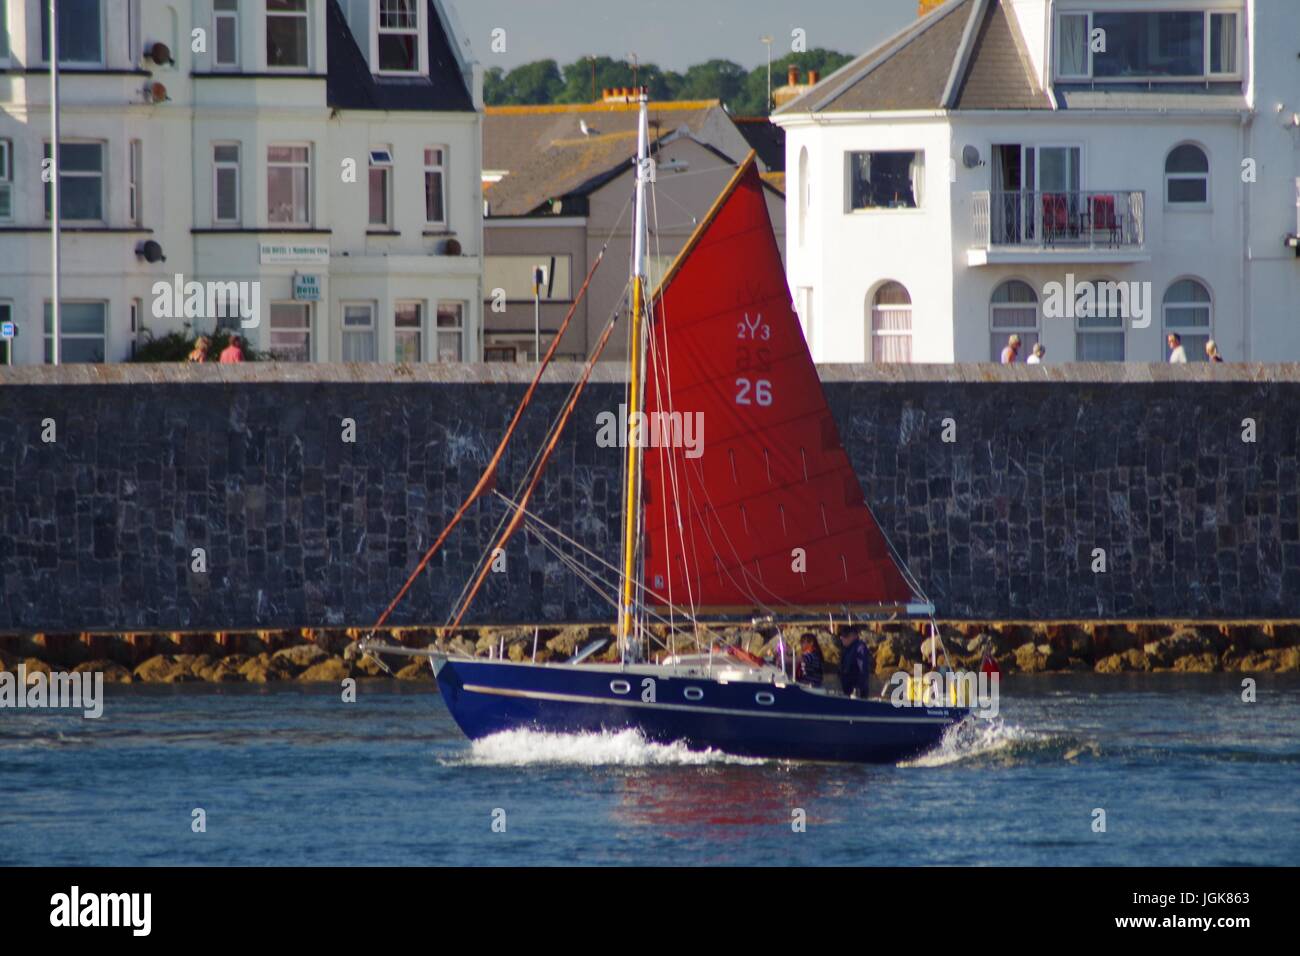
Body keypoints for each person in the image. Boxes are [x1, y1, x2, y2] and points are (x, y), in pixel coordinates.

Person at [838, 630, 873, 699]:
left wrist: (859, 688)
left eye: (845, 636)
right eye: (842, 637)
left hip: (856, 690)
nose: (843, 639)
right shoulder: (847, 649)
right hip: (847, 688)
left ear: (853, 636)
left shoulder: (860, 647)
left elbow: (863, 668)